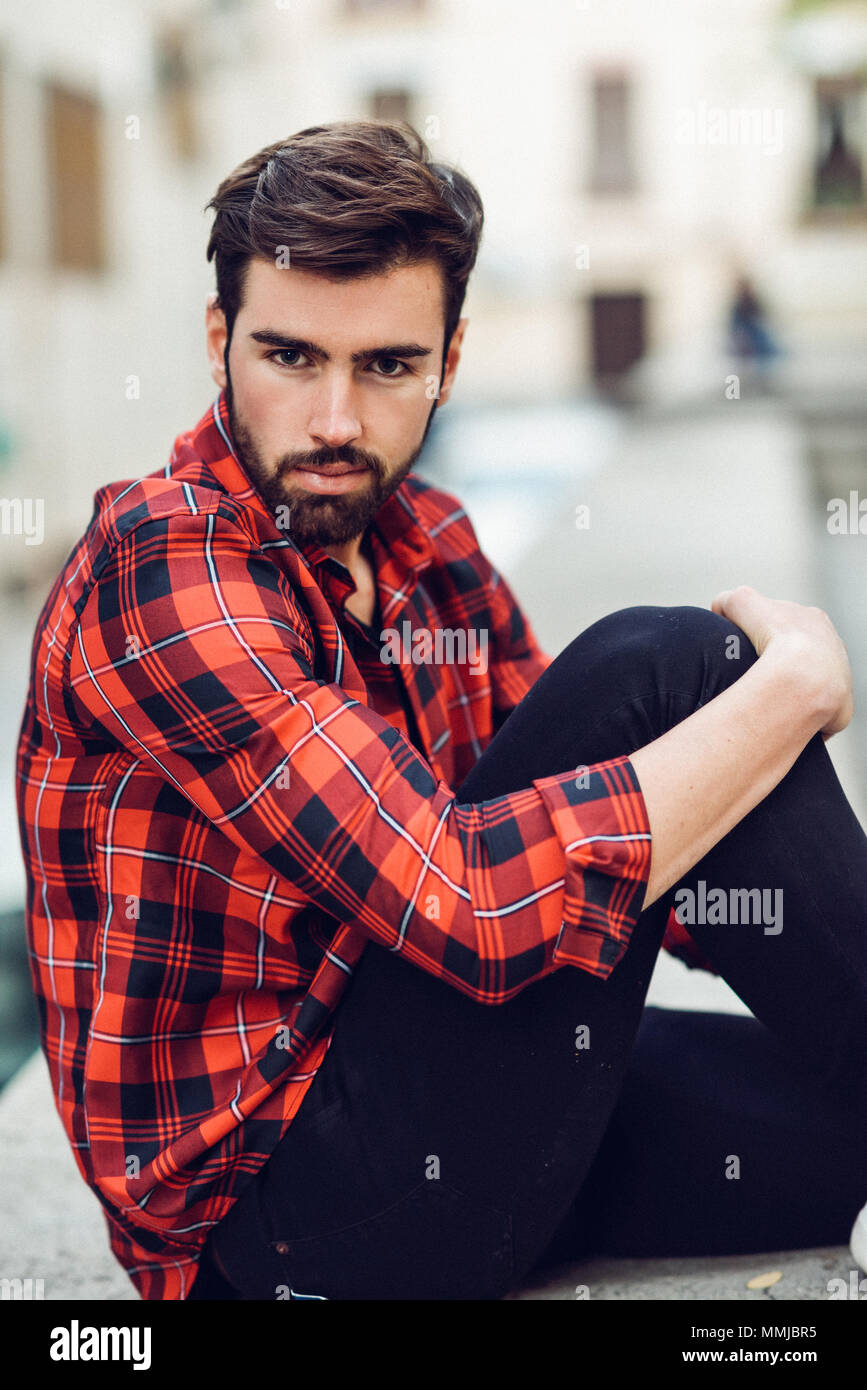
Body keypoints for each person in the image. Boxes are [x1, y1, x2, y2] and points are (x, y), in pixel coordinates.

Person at [15, 120, 867, 1302]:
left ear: (448, 366)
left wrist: (799, 907)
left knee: (841, 1128)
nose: (335, 422)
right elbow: (471, 903)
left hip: (472, 1101)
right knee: (678, 665)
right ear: (220, 343)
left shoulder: (434, 552)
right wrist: (791, 693)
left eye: (387, 366)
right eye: (291, 357)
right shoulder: (162, 570)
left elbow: (651, 853)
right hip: (276, 1220)